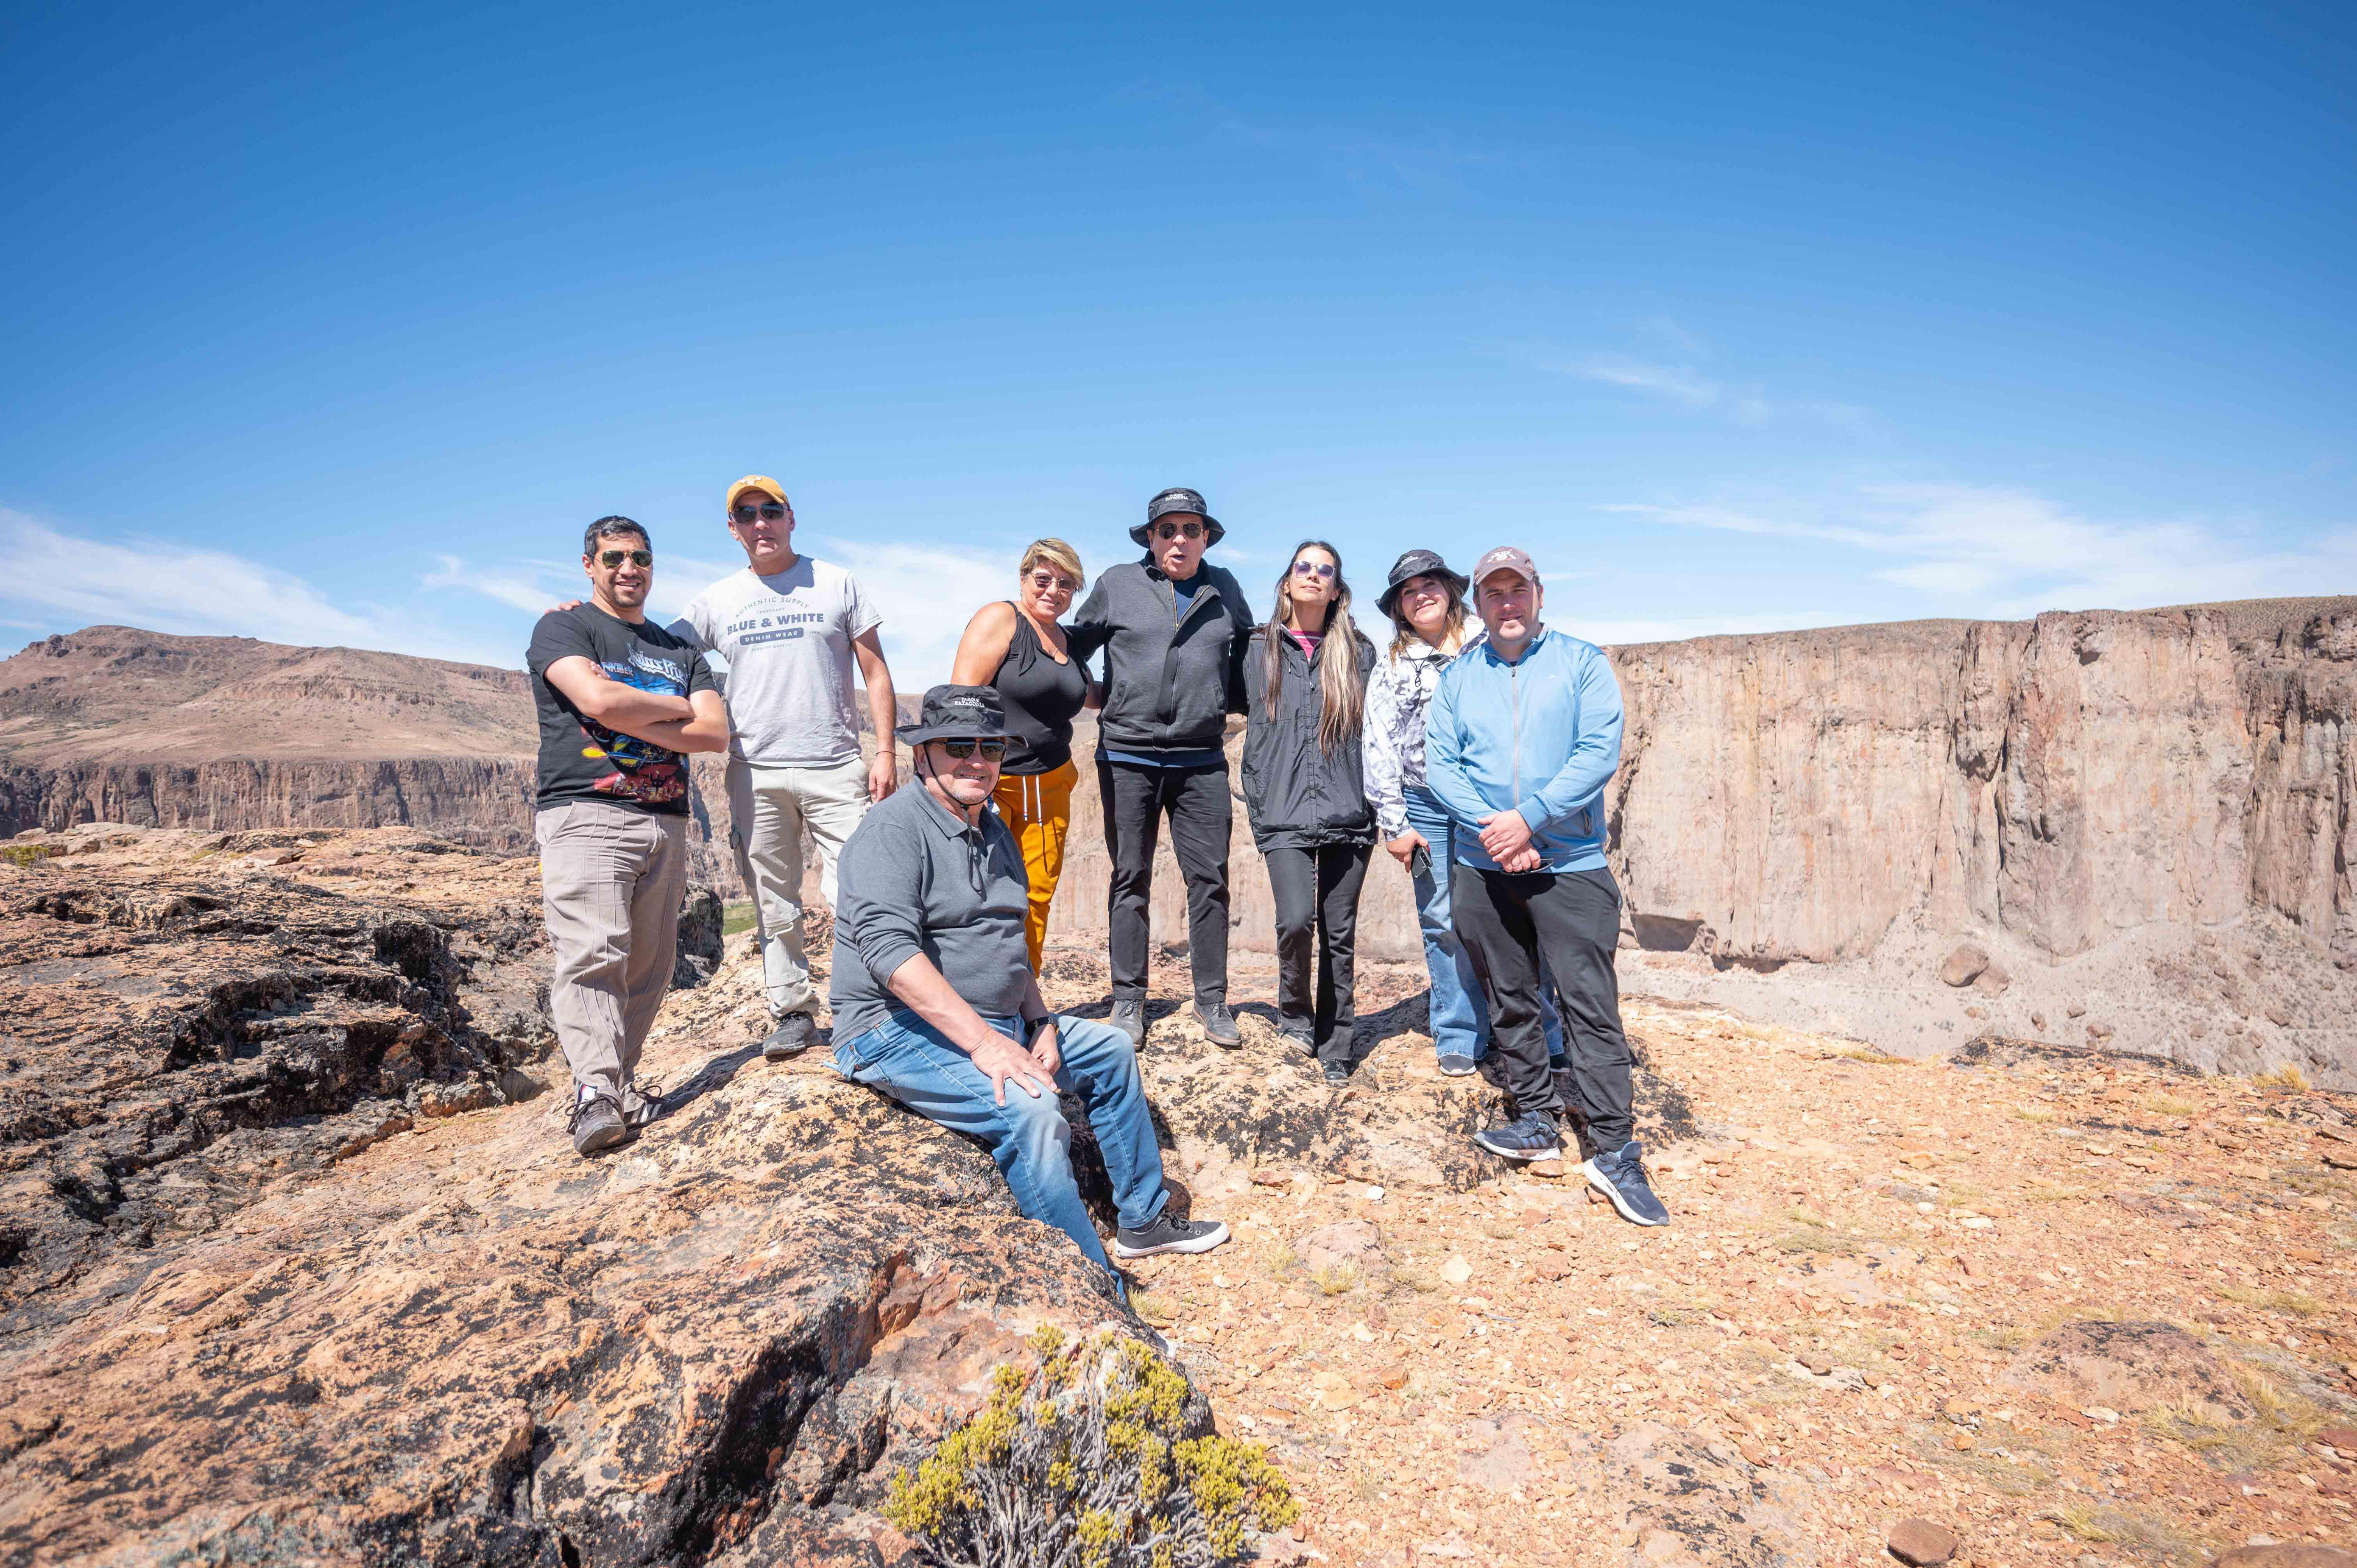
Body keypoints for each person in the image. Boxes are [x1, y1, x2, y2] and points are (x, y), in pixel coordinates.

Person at [828, 684, 1230, 1277]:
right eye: (958, 745)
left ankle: (1143, 1220)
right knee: (1036, 1112)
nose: (977, 760)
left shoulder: (991, 827)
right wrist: (988, 1044)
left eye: (991, 748)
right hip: (892, 1029)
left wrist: (1037, 1018)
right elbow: (891, 956)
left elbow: (1008, 938)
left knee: (1113, 1048)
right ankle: (1087, 1287)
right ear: (922, 756)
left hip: (996, 1019)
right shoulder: (892, 832)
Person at [1424, 546, 1669, 1226]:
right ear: (1477, 602)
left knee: (1588, 1003)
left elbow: (1596, 752)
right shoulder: (1458, 677)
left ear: (1538, 594)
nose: (1506, 603)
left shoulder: (1581, 662)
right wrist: (1492, 826)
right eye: (1493, 593)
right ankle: (1534, 1117)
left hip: (1569, 860)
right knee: (1509, 993)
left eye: (1517, 589)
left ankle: (1614, 1148)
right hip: (1482, 861)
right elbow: (1439, 762)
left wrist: (1528, 819)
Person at [672, 475, 900, 1063]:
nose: (760, 523)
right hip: (756, 771)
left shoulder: (837, 583)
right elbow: (655, 651)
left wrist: (886, 752)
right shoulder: (716, 601)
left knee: (859, 890)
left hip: (835, 766)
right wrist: (587, 618)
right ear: (734, 529)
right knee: (773, 900)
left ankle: (863, 1007)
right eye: (746, 515)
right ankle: (792, 1011)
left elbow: (876, 672)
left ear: (791, 518)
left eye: (770, 511)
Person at [527, 517, 730, 1157]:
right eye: (613, 556)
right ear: (588, 563)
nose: (628, 567)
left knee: (648, 964)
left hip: (666, 819)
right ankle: (594, 1093)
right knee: (593, 950)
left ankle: (620, 1084)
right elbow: (596, 700)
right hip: (586, 810)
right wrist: (672, 708)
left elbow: (716, 732)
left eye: (640, 557)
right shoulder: (564, 627)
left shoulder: (679, 650)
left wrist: (626, 700)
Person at [1362, 549, 1569, 1079]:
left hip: (1496, 803)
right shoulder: (1391, 666)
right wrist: (1395, 821)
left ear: (1452, 591)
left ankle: (1544, 1032)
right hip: (1426, 807)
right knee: (1441, 918)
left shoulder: (1491, 640)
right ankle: (1459, 1032)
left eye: (1431, 584)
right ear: (1399, 608)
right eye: (1408, 591)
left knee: (1520, 913)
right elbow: (1378, 743)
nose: (1421, 595)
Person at [1067, 487, 1255, 1050]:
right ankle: (1129, 1000)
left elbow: (1245, 654)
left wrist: (1233, 709)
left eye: (1190, 530)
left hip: (1201, 758)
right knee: (1131, 877)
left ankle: (1213, 1000)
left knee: (1211, 881)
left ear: (1206, 537)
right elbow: (1071, 647)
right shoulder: (1117, 584)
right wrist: (1103, 696)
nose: (1179, 540)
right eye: (1167, 530)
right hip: (1127, 754)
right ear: (1150, 538)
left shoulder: (1224, 588)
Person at [1241, 541, 1376, 1082]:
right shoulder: (1254, 649)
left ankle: (1337, 1042)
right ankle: (1295, 1016)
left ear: (1338, 588)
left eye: (1326, 571)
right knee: (1297, 920)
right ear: (1287, 582)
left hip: (1349, 812)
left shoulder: (1360, 653)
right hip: (1283, 811)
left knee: (1338, 934)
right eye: (1304, 568)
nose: (1314, 577)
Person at [949, 539, 1097, 974]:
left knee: (1036, 894)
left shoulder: (1065, 640)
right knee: (980, 889)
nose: (1054, 591)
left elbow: (1089, 696)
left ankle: (1022, 991)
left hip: (1051, 783)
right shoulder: (1002, 619)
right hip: (996, 784)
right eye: (1044, 579)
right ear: (1024, 577)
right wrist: (964, 783)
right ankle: (974, 991)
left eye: (1066, 584)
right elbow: (960, 699)